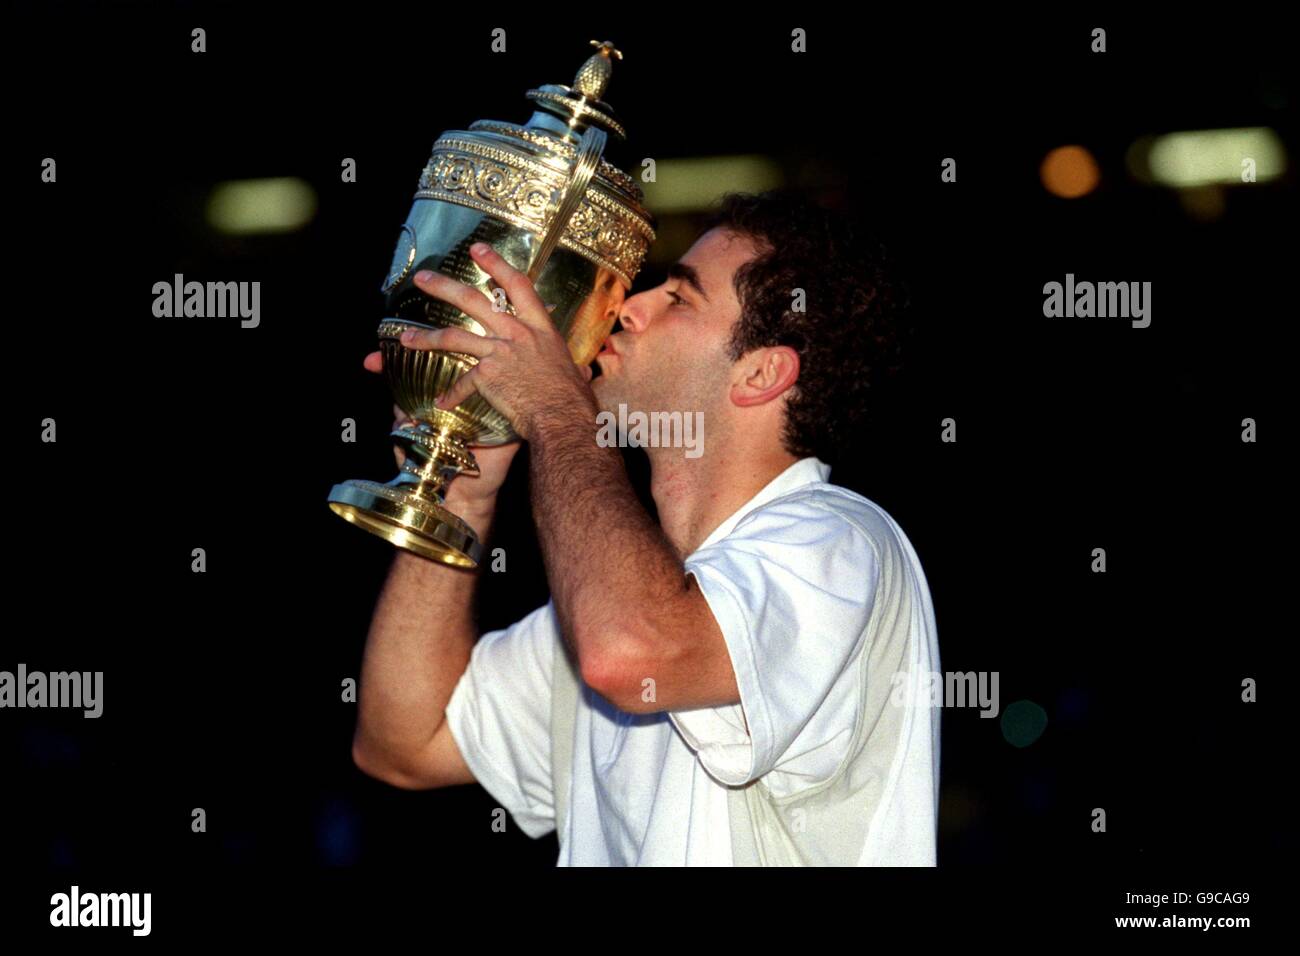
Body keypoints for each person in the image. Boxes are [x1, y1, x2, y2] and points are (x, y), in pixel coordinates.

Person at [350, 189, 942, 865]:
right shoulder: (619, 592)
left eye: (680, 298)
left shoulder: (841, 544)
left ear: (761, 373)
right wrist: (463, 496)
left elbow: (628, 656)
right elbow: (403, 743)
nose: (629, 306)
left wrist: (557, 412)